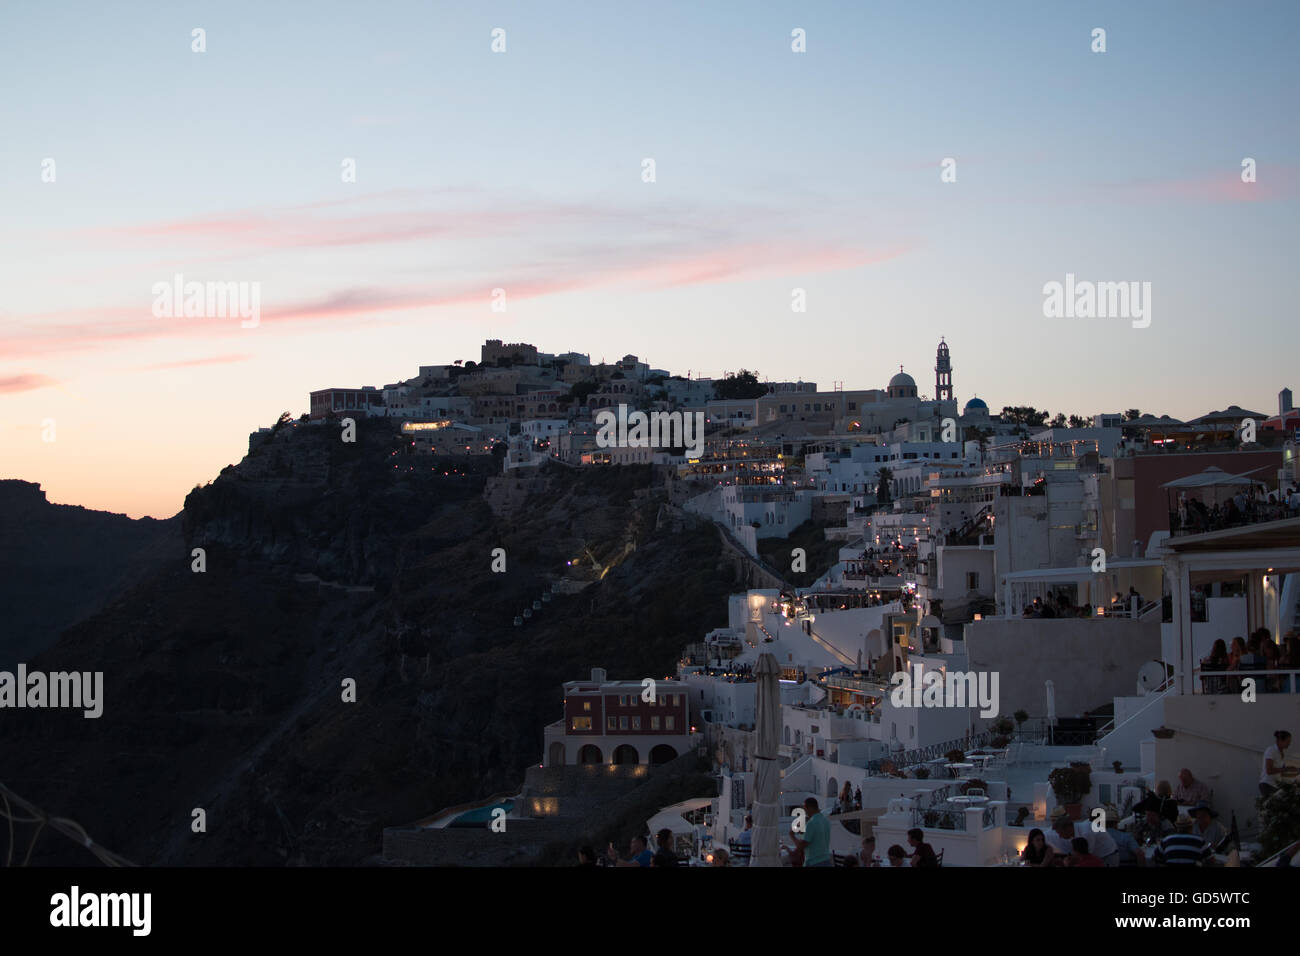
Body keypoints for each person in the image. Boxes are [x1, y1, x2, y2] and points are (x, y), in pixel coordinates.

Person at [798, 797, 832, 867]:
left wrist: (791, 835)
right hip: (826, 860)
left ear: (810, 808)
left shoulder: (811, 823)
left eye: (805, 809)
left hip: (814, 862)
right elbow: (817, 838)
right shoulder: (826, 821)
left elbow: (802, 846)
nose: (806, 812)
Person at [1260, 730, 1294, 797]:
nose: (1289, 744)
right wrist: (1286, 769)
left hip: (1275, 786)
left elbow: (1281, 773)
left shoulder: (1281, 753)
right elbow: (1269, 770)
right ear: (1280, 740)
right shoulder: (1271, 750)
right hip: (1267, 784)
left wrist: (1295, 772)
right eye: (1287, 741)